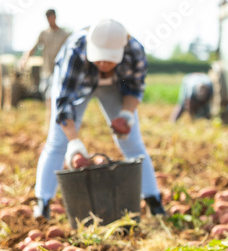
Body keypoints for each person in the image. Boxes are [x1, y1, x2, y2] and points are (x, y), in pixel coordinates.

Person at [34, 19, 166, 219]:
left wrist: (126, 115)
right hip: (78, 86)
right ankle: (42, 204)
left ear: (121, 51)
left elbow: (135, 89)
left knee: (132, 142)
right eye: (99, 59)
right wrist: (75, 143)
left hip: (113, 88)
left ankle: (154, 201)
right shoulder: (77, 49)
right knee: (58, 143)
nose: (103, 64)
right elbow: (64, 103)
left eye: (110, 60)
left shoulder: (135, 51)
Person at [20, 8, 70, 96]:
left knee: (53, 93)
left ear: (55, 17)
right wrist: (24, 59)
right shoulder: (44, 34)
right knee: (44, 90)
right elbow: (33, 48)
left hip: (59, 69)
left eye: (51, 18)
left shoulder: (63, 35)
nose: (50, 20)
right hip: (46, 69)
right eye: (48, 19)